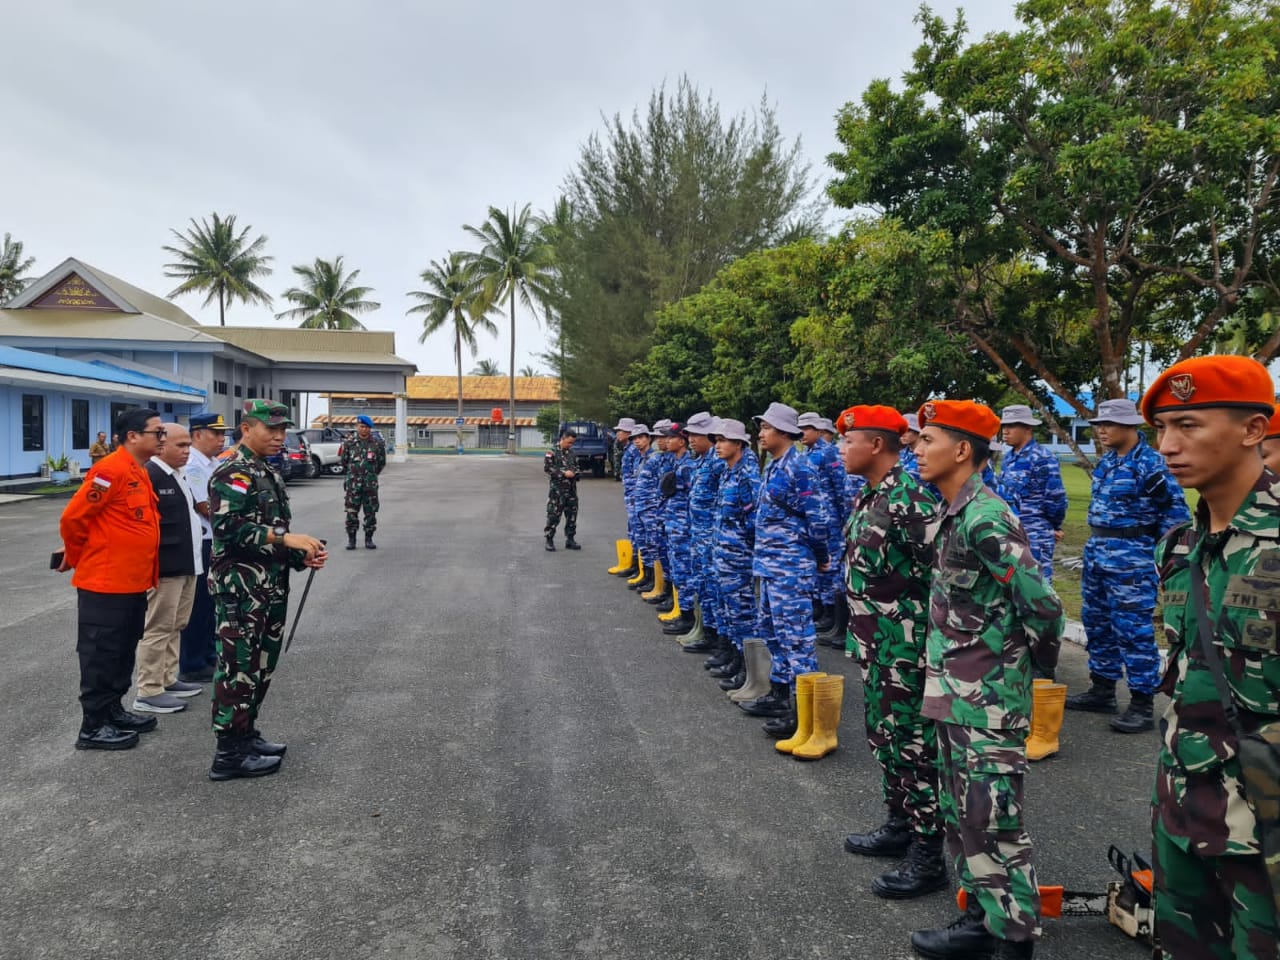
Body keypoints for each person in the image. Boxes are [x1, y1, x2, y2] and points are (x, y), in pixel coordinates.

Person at [912, 398, 1063, 960]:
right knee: (961, 814)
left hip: (988, 697)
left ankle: (1014, 939)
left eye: (929, 439)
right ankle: (981, 918)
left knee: (993, 818)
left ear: (961, 450)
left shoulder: (985, 516)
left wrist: (1025, 673)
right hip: (953, 690)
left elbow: (1044, 606)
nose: (918, 448)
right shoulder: (955, 510)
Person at [1142, 355, 1280, 959]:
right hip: (1182, 812)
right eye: (1161, 429)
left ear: (1253, 430)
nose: (1169, 446)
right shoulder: (1179, 547)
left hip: (1265, 832)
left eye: (1190, 425)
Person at [836, 405, 947, 900]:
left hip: (908, 652)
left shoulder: (911, 498)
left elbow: (941, 579)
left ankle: (928, 854)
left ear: (876, 444)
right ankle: (898, 825)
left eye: (847, 440)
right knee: (885, 739)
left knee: (916, 749)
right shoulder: (872, 494)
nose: (840, 449)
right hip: (877, 645)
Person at [207, 399, 327, 781]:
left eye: (282, 430)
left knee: (260, 664)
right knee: (238, 668)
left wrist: (298, 556)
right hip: (241, 591)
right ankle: (228, 755)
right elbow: (229, 528)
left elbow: (268, 534)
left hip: (267, 586)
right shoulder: (233, 471)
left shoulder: (264, 470)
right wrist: (286, 538)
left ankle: (246, 734)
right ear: (246, 428)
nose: (279, 436)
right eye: (270, 429)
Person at [1066, 398, 1190, 732]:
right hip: (1098, 553)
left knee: (1133, 630)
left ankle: (1141, 703)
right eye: (1099, 424)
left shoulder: (1151, 464)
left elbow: (1176, 517)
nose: (1102, 430)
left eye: (1109, 424)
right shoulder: (1108, 462)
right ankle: (1103, 689)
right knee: (1097, 622)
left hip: (1132, 558)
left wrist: (1169, 562)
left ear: (1131, 426)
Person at [58, 407, 163, 751]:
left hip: (132, 582)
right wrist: (76, 557)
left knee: (122, 652)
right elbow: (74, 519)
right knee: (100, 654)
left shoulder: (138, 470)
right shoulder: (109, 470)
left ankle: (113, 711)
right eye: (156, 433)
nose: (161, 438)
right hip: (105, 583)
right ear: (133, 436)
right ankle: (92, 726)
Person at [741, 402, 832, 722]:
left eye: (765, 428)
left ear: (783, 431)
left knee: (797, 640)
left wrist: (821, 557)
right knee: (771, 630)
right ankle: (779, 693)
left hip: (791, 568)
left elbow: (818, 520)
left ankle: (804, 712)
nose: (760, 433)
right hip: (769, 565)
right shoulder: (775, 465)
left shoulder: (801, 467)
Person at [134, 423, 205, 714]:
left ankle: (167, 678)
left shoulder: (177, 475)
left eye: (189, 445)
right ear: (161, 446)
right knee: (158, 627)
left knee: (177, 624)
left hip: (187, 563)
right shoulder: (149, 475)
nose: (187, 451)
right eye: (181, 445)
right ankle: (148, 690)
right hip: (165, 567)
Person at [711, 419, 761, 690]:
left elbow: (754, 522)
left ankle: (749, 670)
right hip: (724, 556)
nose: (718, 445)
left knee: (743, 614)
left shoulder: (747, 476)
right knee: (730, 611)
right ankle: (734, 657)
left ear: (739, 443)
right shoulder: (729, 471)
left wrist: (746, 553)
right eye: (716, 440)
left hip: (739, 558)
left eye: (723, 440)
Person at [178, 413, 227, 683]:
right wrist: (233, 524)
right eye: (215, 434)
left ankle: (208, 655)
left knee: (211, 604)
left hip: (215, 540)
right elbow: (204, 506)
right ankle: (193, 663)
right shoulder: (193, 465)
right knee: (198, 605)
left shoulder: (213, 462)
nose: (222, 439)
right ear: (197, 435)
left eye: (222, 434)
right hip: (204, 540)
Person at [996, 405, 1068, 581]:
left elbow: (1055, 498)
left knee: (1038, 585)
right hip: (1011, 530)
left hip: (1035, 533)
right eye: (1004, 426)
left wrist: (1053, 526)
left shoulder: (1042, 457)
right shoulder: (1009, 458)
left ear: (1028, 428)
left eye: (1011, 426)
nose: (1005, 431)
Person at [798, 411, 849, 633]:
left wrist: (843, 519)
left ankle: (834, 616)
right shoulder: (806, 453)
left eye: (807, 428)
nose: (802, 432)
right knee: (820, 569)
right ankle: (822, 609)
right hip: (814, 521)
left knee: (832, 569)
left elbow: (841, 488)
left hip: (831, 522)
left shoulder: (828, 452)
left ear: (819, 430)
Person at [342, 414, 386, 550]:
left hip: (370, 485)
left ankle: (369, 539)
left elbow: (381, 463)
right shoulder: (349, 443)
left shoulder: (377, 444)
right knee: (351, 513)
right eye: (361, 427)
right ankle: (351, 539)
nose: (364, 430)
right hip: (353, 486)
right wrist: (353, 475)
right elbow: (344, 462)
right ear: (357, 427)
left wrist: (371, 475)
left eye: (367, 427)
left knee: (370, 513)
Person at [544, 429, 580, 551]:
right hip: (557, 491)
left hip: (571, 490)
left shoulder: (572, 453)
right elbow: (548, 469)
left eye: (572, 443)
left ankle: (570, 539)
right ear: (563, 438)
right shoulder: (552, 452)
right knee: (554, 515)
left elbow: (577, 468)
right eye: (569, 442)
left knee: (572, 516)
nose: (570, 445)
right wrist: (564, 473)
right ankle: (549, 539)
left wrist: (575, 473)